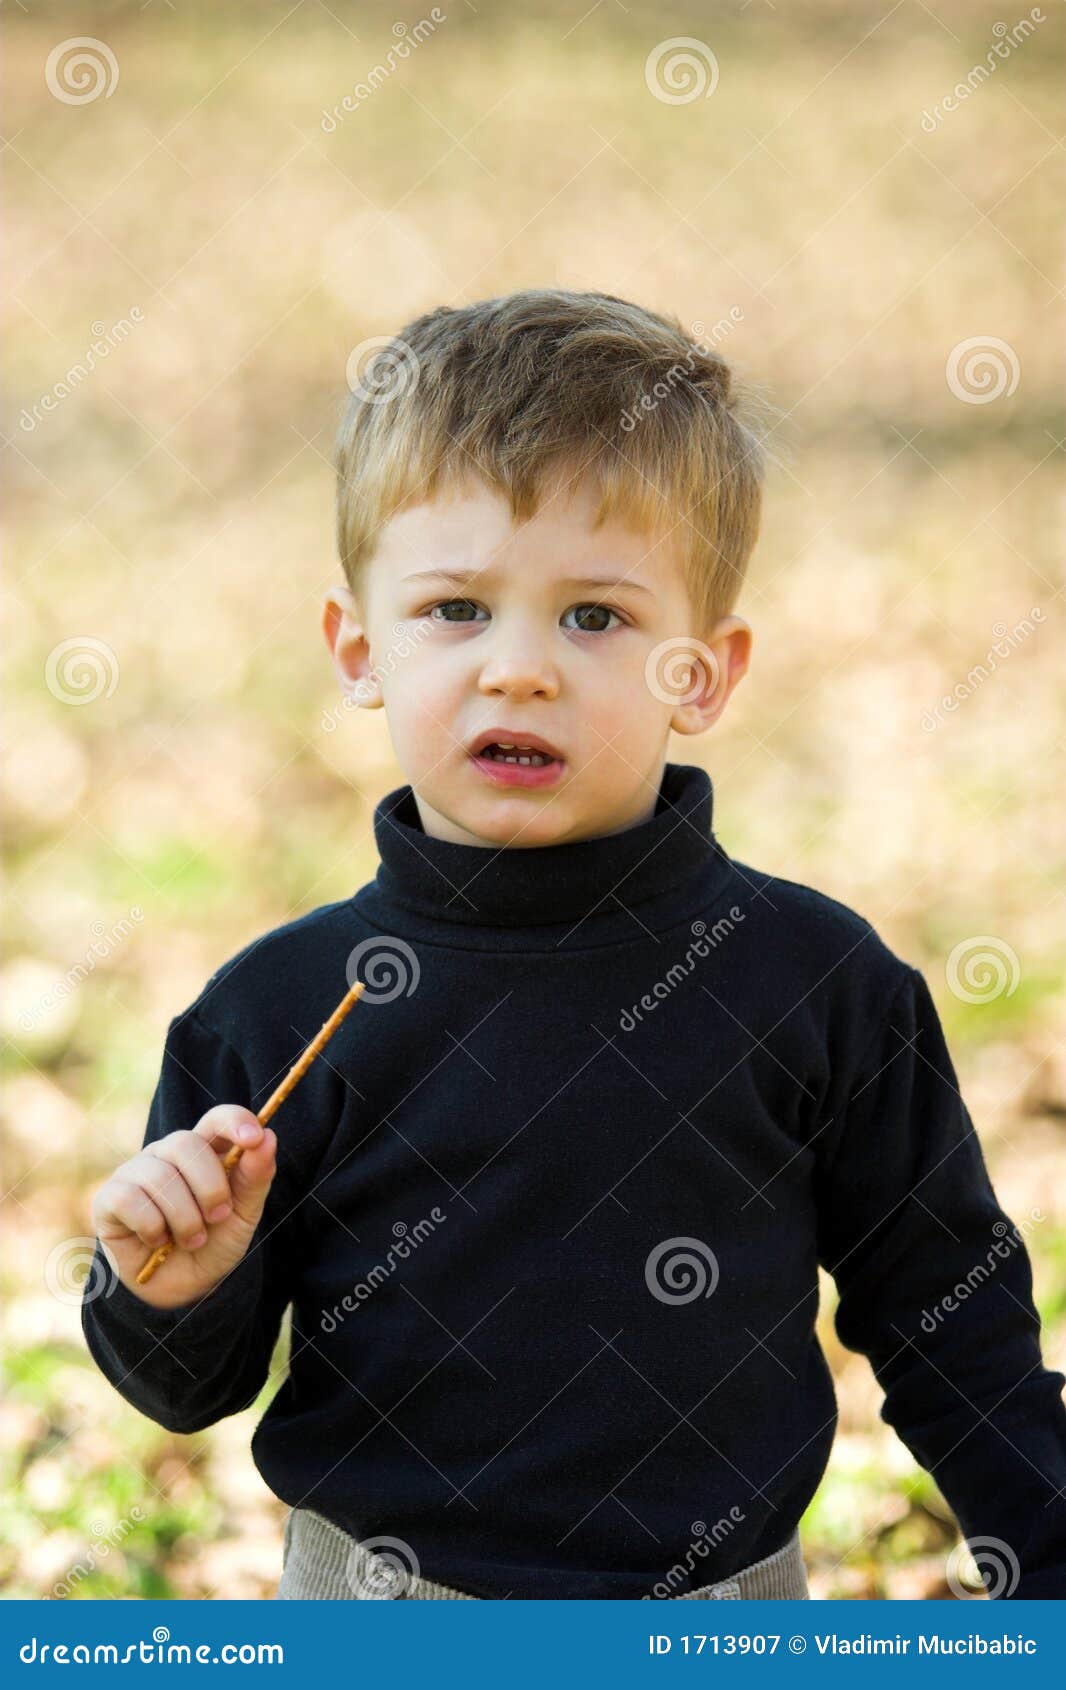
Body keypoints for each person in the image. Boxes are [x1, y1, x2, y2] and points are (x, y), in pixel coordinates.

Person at [81, 289, 1066, 1601]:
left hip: (715, 1621)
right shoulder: (275, 1010)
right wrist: (171, 1287)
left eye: (593, 616)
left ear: (701, 674)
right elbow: (184, 1386)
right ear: (358, 647)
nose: (518, 668)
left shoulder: (813, 984)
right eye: (455, 609)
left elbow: (950, 1317)